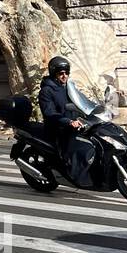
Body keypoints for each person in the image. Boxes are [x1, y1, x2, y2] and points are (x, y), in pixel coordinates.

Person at [39, 55, 93, 186]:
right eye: (61, 73)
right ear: (54, 74)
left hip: (76, 125)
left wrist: (97, 109)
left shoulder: (69, 87)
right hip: (58, 128)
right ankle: (75, 177)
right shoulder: (46, 91)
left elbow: (82, 101)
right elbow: (49, 112)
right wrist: (68, 122)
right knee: (78, 149)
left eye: (66, 73)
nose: (64, 76)